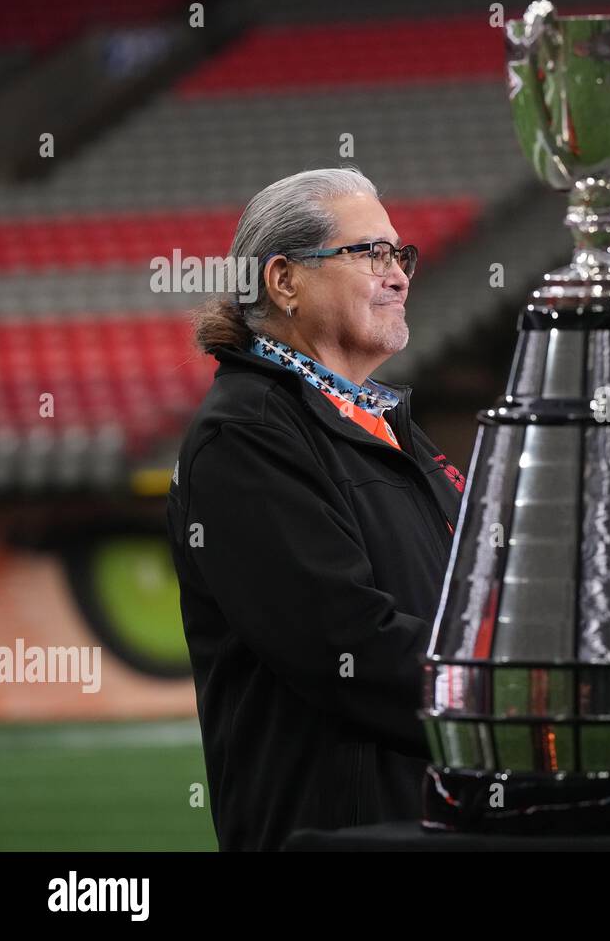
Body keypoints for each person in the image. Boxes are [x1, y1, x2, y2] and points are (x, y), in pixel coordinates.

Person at [167, 167, 464, 850]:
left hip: (435, 816)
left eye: (400, 254)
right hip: (340, 834)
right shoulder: (244, 434)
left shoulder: (387, 422)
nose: (399, 275)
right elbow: (346, 644)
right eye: (370, 253)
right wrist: (508, 692)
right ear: (284, 280)